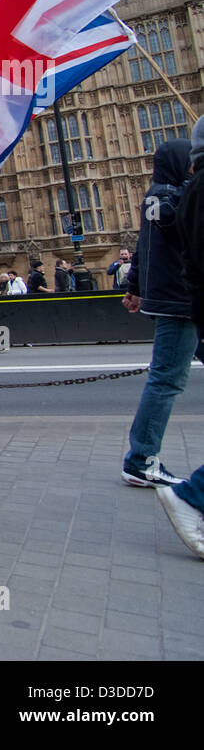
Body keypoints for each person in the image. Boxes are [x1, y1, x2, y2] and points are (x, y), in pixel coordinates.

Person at [120, 137, 195, 488]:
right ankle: (140, 459)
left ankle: (141, 457)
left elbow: (142, 248)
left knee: (166, 376)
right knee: (165, 379)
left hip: (172, 299)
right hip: (179, 302)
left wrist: (133, 287)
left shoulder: (154, 194)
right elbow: (171, 221)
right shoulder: (169, 198)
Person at [160, 117, 204, 555]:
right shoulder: (193, 192)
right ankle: (194, 496)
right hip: (183, 306)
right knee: (165, 381)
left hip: (189, 305)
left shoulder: (186, 192)